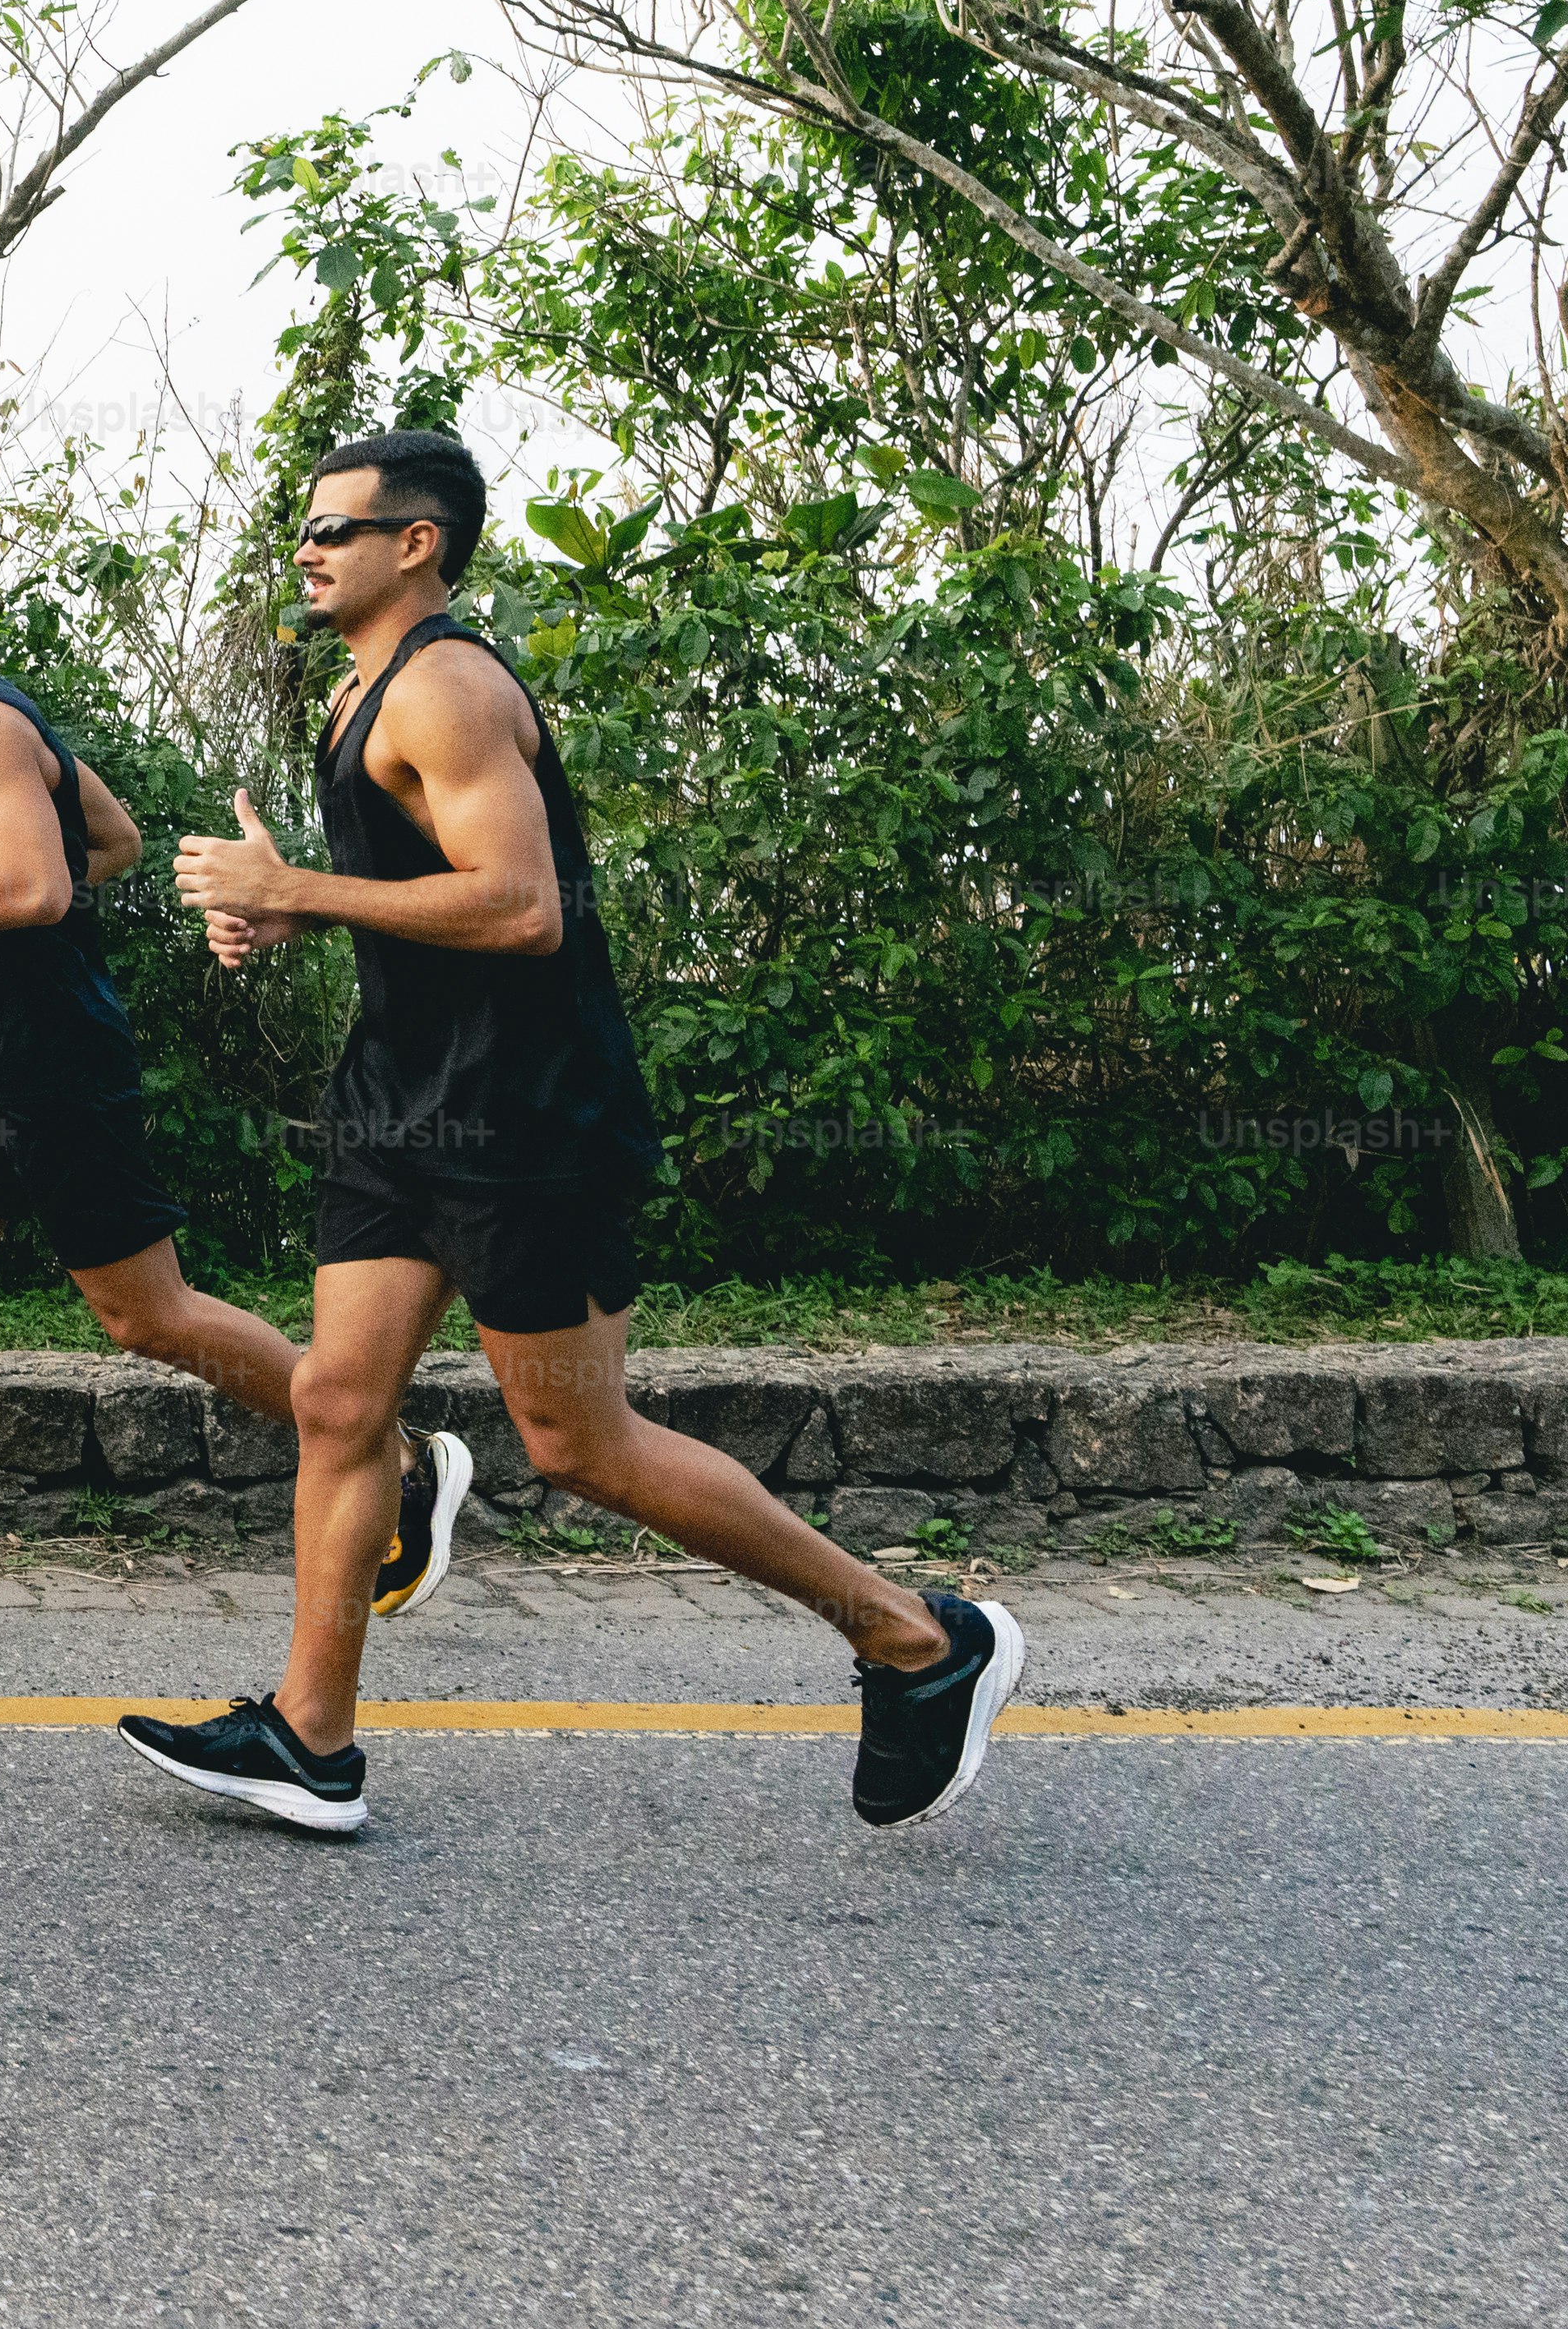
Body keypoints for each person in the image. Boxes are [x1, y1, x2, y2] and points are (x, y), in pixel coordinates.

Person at [145, 433, 1024, 1833]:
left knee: (575, 1444)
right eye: (301, 528)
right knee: (331, 1396)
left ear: (415, 542)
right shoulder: (353, 690)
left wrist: (300, 885)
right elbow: (396, 889)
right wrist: (273, 903)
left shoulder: (446, 686)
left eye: (331, 528)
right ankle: (309, 1735)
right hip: (398, 1102)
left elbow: (518, 905)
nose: (304, 549)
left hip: (522, 1115)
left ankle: (914, 1638)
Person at [0, 531, 469, 1630]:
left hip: (52, 1057)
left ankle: (395, 1455)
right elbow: (108, 838)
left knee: (147, 1314)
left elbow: (44, 887)